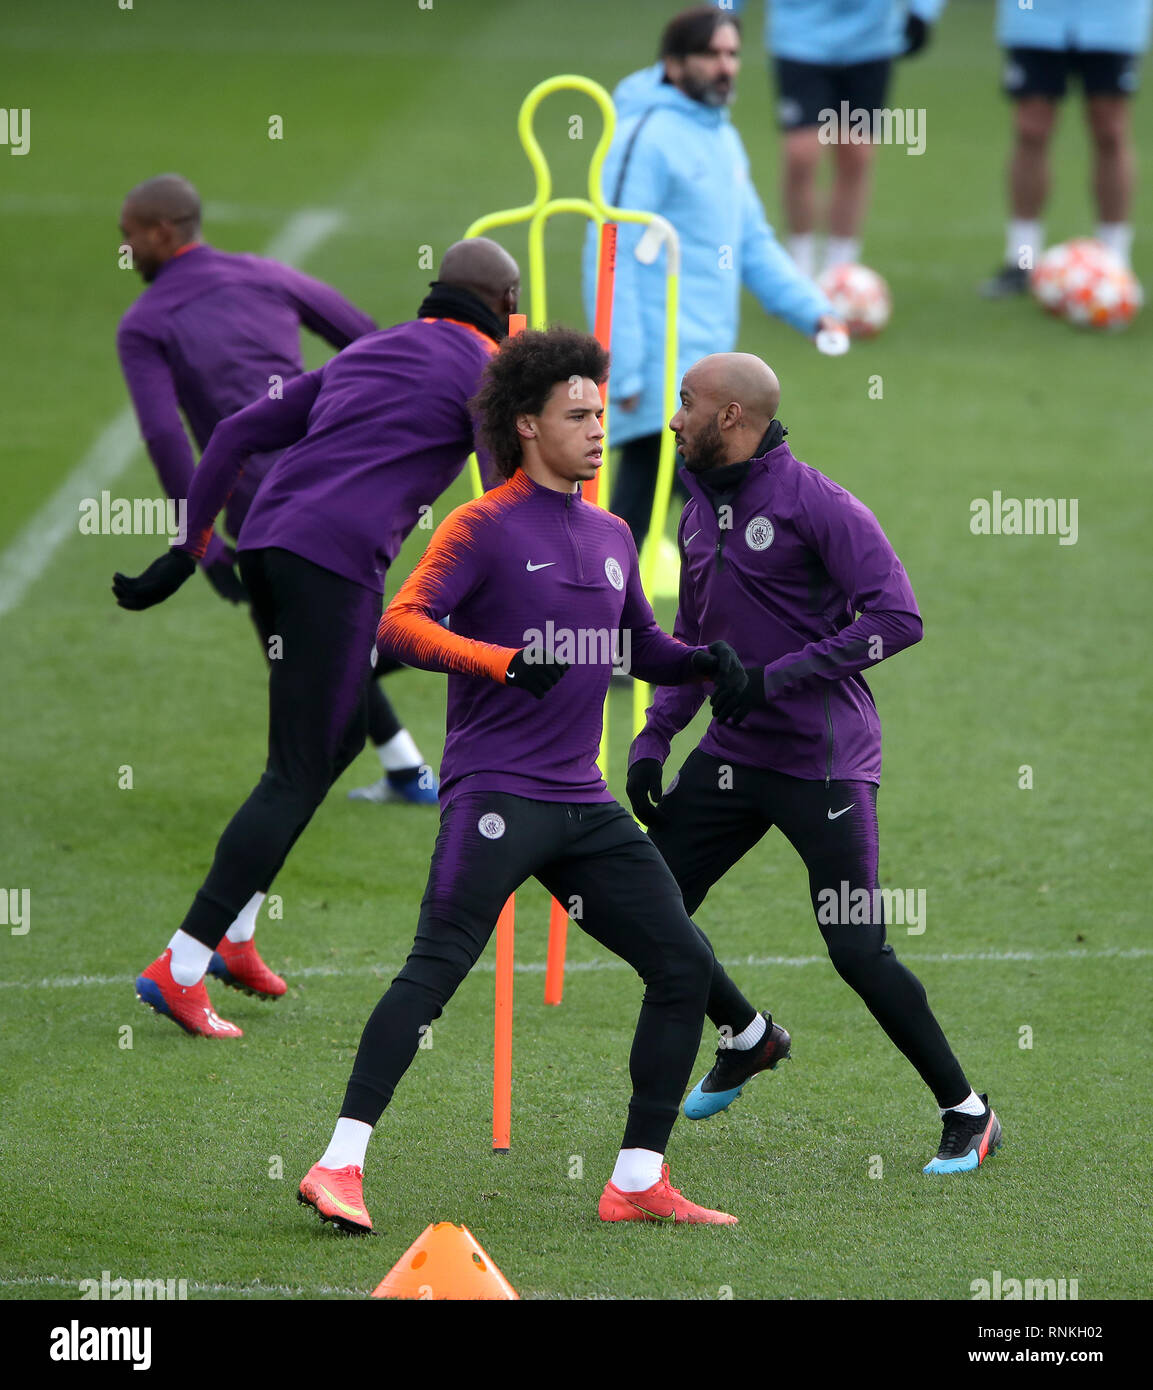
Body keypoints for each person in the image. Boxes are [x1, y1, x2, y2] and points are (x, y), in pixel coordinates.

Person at [297, 327, 750, 1232]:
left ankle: (634, 1178)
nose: (595, 429)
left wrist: (706, 665)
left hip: (582, 803)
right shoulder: (480, 526)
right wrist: (500, 661)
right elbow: (399, 626)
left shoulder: (613, 531)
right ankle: (337, 1165)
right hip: (497, 793)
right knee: (434, 970)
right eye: (575, 415)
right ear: (525, 426)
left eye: (598, 412)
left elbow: (640, 647)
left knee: (679, 966)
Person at [113, 238, 522, 1037]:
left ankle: (233, 938)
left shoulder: (372, 351)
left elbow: (232, 433)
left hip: (266, 544)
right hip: (331, 564)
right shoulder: (484, 375)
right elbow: (498, 493)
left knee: (332, 742)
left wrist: (188, 549)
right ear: (506, 307)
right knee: (296, 768)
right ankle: (181, 962)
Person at [626, 352, 1002, 1175]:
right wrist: (657, 735)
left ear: (731, 416)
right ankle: (748, 1034)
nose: (673, 418)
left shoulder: (816, 504)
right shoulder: (693, 507)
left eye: (686, 403)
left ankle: (966, 1111)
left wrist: (778, 678)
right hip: (730, 757)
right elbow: (696, 644)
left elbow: (897, 618)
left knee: (854, 948)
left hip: (821, 761)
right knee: (641, 907)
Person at [116, 173, 435, 813]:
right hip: (342, 477)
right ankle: (406, 770)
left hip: (264, 507)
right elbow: (368, 336)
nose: (126, 254)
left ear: (161, 231)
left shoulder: (145, 322)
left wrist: (198, 547)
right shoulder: (267, 273)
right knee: (291, 637)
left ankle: (451, 636)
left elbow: (163, 436)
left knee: (314, 652)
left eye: (128, 240)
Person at [581, 5, 842, 554]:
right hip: (655, 374)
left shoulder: (722, 140)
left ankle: (604, 622)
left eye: (732, 54)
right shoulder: (643, 136)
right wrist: (622, 370)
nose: (725, 66)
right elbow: (610, 252)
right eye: (710, 55)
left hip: (708, 372)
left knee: (676, 521)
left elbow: (751, 242)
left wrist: (811, 311)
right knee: (718, 520)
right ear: (674, 65)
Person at [717, 0, 944, 277]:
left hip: (870, 42)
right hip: (800, 40)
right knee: (801, 154)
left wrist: (923, 12)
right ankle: (799, 265)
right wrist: (723, 13)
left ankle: (840, 269)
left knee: (856, 154)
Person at [981, 0, 1151, 296]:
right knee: (1031, 128)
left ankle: (1115, 261)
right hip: (1034, 16)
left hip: (1114, 16)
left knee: (1110, 129)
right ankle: (1023, 259)